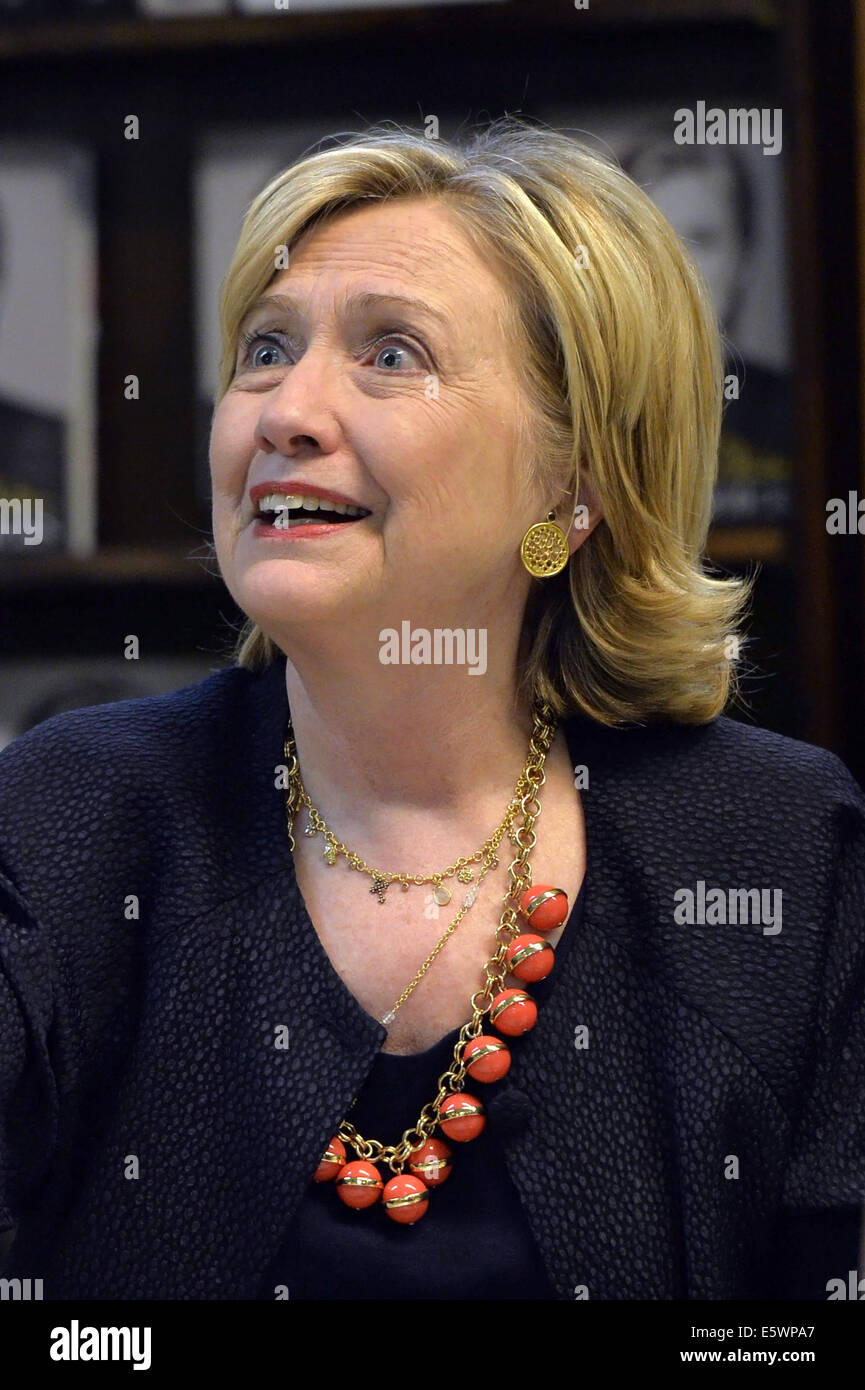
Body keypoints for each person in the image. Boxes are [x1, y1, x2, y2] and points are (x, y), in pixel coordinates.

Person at [0, 116, 862, 1301]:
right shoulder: (71, 816)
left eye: (390, 354)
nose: (282, 414)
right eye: (264, 347)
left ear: (572, 490)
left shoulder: (779, 851)